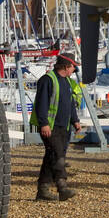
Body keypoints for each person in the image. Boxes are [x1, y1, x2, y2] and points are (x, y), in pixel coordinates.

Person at [31, 54, 82, 201]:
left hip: (64, 127)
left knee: (51, 157)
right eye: (73, 67)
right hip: (51, 127)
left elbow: (70, 104)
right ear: (66, 66)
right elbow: (41, 104)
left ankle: (43, 191)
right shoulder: (47, 80)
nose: (74, 70)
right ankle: (62, 187)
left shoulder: (67, 82)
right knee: (58, 156)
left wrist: (75, 120)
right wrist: (44, 124)